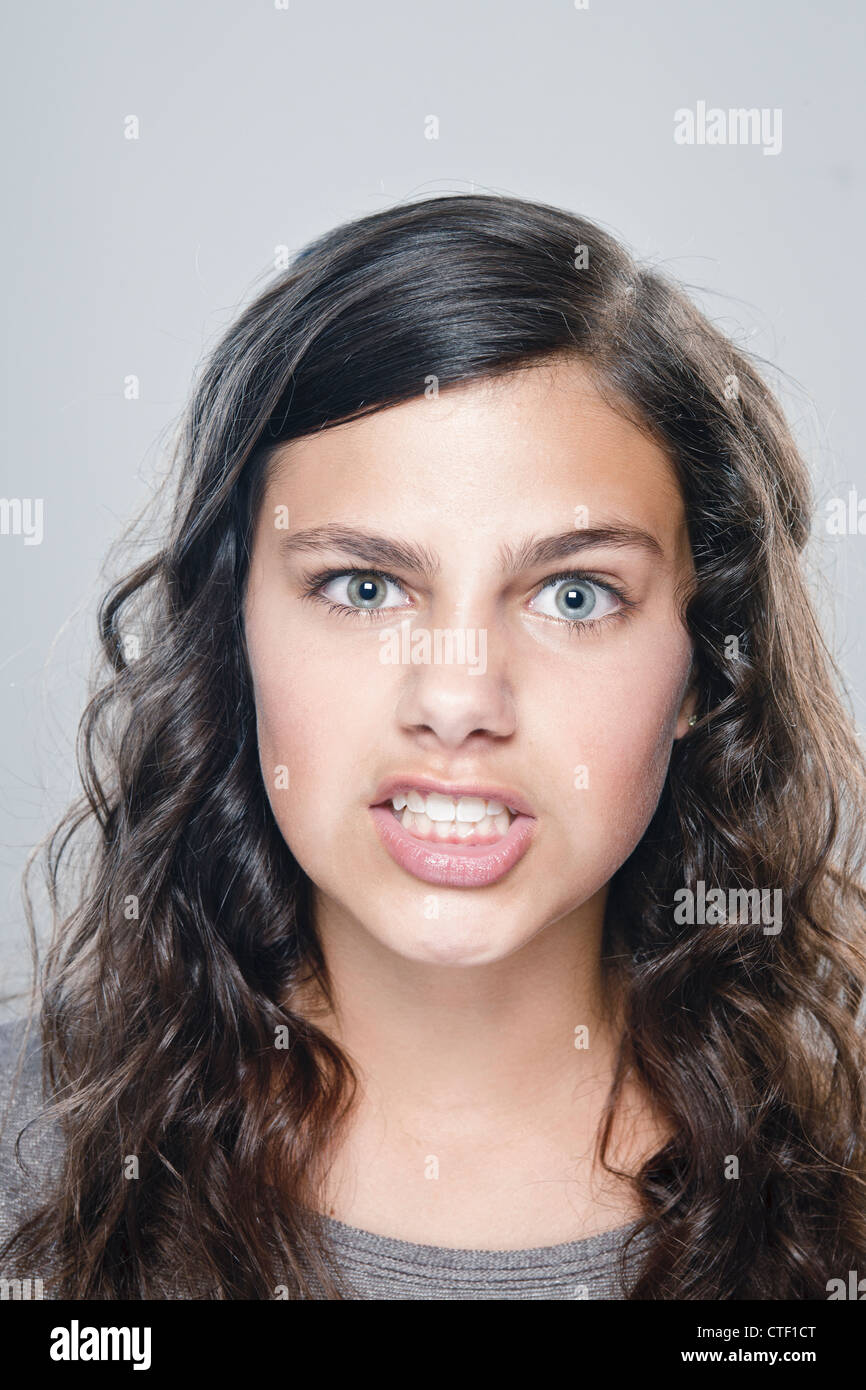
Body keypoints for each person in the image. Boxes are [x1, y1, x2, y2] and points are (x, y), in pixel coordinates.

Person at [2, 193, 865, 1299]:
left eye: (572, 592)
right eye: (362, 586)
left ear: (703, 663)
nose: (457, 698)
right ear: (235, 628)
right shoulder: (23, 1149)